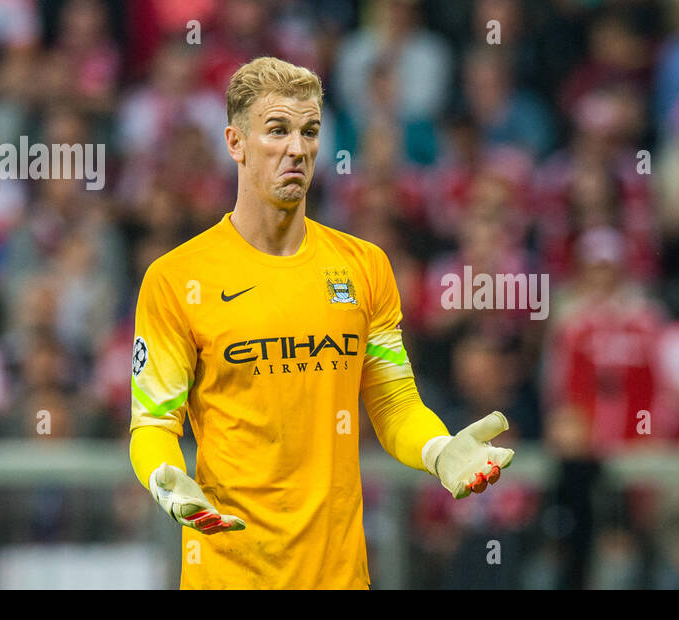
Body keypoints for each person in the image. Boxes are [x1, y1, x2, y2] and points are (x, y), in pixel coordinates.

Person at [128, 57, 516, 589]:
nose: (298, 147)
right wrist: (166, 481)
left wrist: (438, 450)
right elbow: (152, 426)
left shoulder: (364, 267)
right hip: (229, 575)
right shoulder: (176, 279)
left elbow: (395, 404)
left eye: (310, 131)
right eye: (278, 130)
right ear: (235, 143)